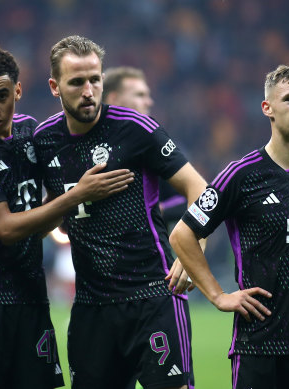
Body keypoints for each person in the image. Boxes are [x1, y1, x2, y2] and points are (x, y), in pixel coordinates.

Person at [0, 47, 134, 389]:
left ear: (17, 91)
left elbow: (47, 210)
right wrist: (76, 194)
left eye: (2, 96)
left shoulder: (31, 133)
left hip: (31, 291)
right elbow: (5, 227)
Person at [33, 35, 207, 389]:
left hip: (154, 295)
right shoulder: (44, 139)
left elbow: (199, 189)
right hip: (90, 307)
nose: (88, 90)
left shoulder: (135, 128)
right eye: (77, 82)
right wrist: (72, 202)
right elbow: (46, 216)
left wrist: (194, 250)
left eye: (95, 80)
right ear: (54, 86)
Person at [169, 65, 289, 388]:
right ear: (268, 108)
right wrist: (218, 295)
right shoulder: (241, 176)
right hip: (259, 350)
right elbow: (183, 234)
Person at [103, 66, 187, 226]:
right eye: (140, 95)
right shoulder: (89, 145)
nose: (149, 102)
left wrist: (158, 209)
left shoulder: (154, 146)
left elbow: (190, 196)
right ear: (114, 99)